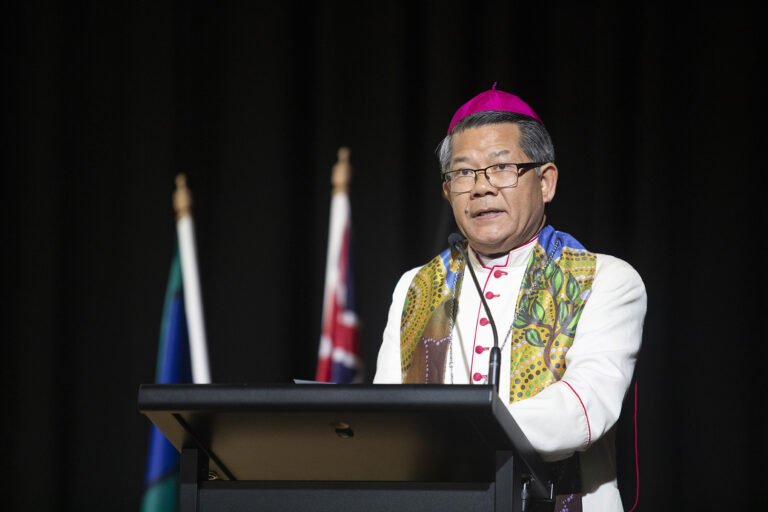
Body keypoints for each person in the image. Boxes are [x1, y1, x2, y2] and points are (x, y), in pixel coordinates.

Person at [373, 84, 646, 511]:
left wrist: (452, 437)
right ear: (448, 192)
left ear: (546, 182)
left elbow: (584, 407)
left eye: (502, 168)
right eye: (463, 173)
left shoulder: (607, 279)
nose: (481, 188)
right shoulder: (416, 287)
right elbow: (387, 416)